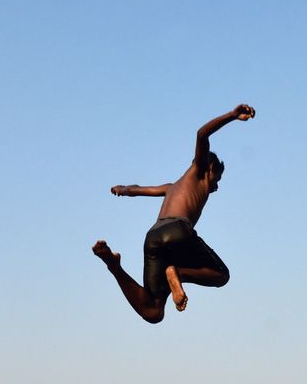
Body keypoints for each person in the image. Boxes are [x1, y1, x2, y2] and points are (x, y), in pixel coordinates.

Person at [92, 104, 256, 323]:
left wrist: (122, 189)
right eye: (216, 180)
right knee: (221, 275)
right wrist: (232, 116)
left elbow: (138, 189)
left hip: (153, 237)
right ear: (209, 168)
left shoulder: (172, 187)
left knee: (153, 311)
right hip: (178, 229)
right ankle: (178, 272)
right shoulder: (199, 171)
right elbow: (202, 134)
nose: (216, 187)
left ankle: (113, 265)